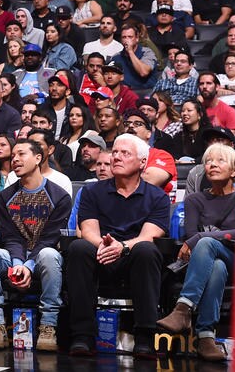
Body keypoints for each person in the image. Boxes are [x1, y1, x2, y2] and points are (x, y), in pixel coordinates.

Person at [64, 134, 169, 357]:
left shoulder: (157, 197)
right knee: (79, 248)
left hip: (133, 256)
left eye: (125, 153)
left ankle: (144, 336)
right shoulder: (92, 191)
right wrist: (103, 245)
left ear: (142, 163)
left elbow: (150, 235)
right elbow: (89, 229)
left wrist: (122, 247)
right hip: (102, 253)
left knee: (147, 250)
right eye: (115, 152)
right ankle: (82, 336)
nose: (117, 157)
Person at [0, 138, 72, 352]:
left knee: (49, 254)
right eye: (13, 156)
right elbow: (11, 236)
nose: (15, 159)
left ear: (38, 158)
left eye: (21, 154)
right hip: (16, 255)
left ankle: (48, 326)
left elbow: (50, 237)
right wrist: (17, 264)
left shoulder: (59, 197)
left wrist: (28, 266)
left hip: (44, 256)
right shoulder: (5, 196)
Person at [156, 143, 235, 361]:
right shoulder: (195, 200)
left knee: (207, 245)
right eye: (209, 161)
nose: (212, 164)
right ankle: (206, 338)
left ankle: (183, 309)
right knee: (216, 266)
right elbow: (191, 235)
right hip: (204, 263)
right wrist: (201, 238)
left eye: (220, 160)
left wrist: (201, 238)